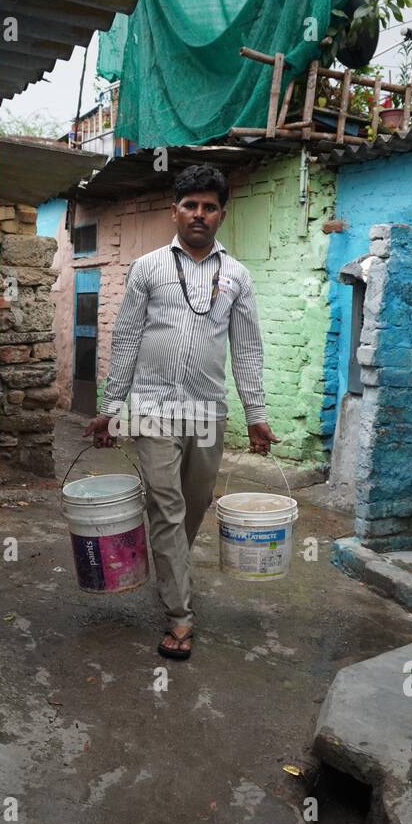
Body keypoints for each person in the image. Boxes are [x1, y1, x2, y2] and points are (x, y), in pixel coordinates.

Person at [83, 163, 279, 661]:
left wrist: (255, 413)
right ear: (174, 211)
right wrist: (112, 406)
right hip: (152, 409)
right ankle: (180, 615)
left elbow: (248, 349)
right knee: (166, 510)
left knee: (191, 509)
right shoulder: (148, 267)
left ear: (221, 215)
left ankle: (171, 574)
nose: (199, 214)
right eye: (190, 205)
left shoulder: (237, 276)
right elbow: (126, 337)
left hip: (208, 411)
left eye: (209, 207)